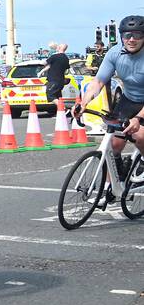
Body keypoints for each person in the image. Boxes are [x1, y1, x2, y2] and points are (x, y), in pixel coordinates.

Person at [74, 15, 144, 189]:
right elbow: (98, 82)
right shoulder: (114, 53)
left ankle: (142, 160)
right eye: (127, 35)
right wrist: (83, 103)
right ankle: (110, 185)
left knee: (139, 136)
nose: (132, 39)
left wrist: (138, 119)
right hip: (129, 100)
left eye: (137, 34)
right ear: (121, 36)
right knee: (113, 144)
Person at [45, 42, 71, 107]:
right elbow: (66, 69)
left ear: (59, 48)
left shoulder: (54, 56)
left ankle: (63, 107)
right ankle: (61, 112)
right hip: (61, 80)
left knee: (50, 95)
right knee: (58, 96)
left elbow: (44, 63)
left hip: (53, 80)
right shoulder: (66, 58)